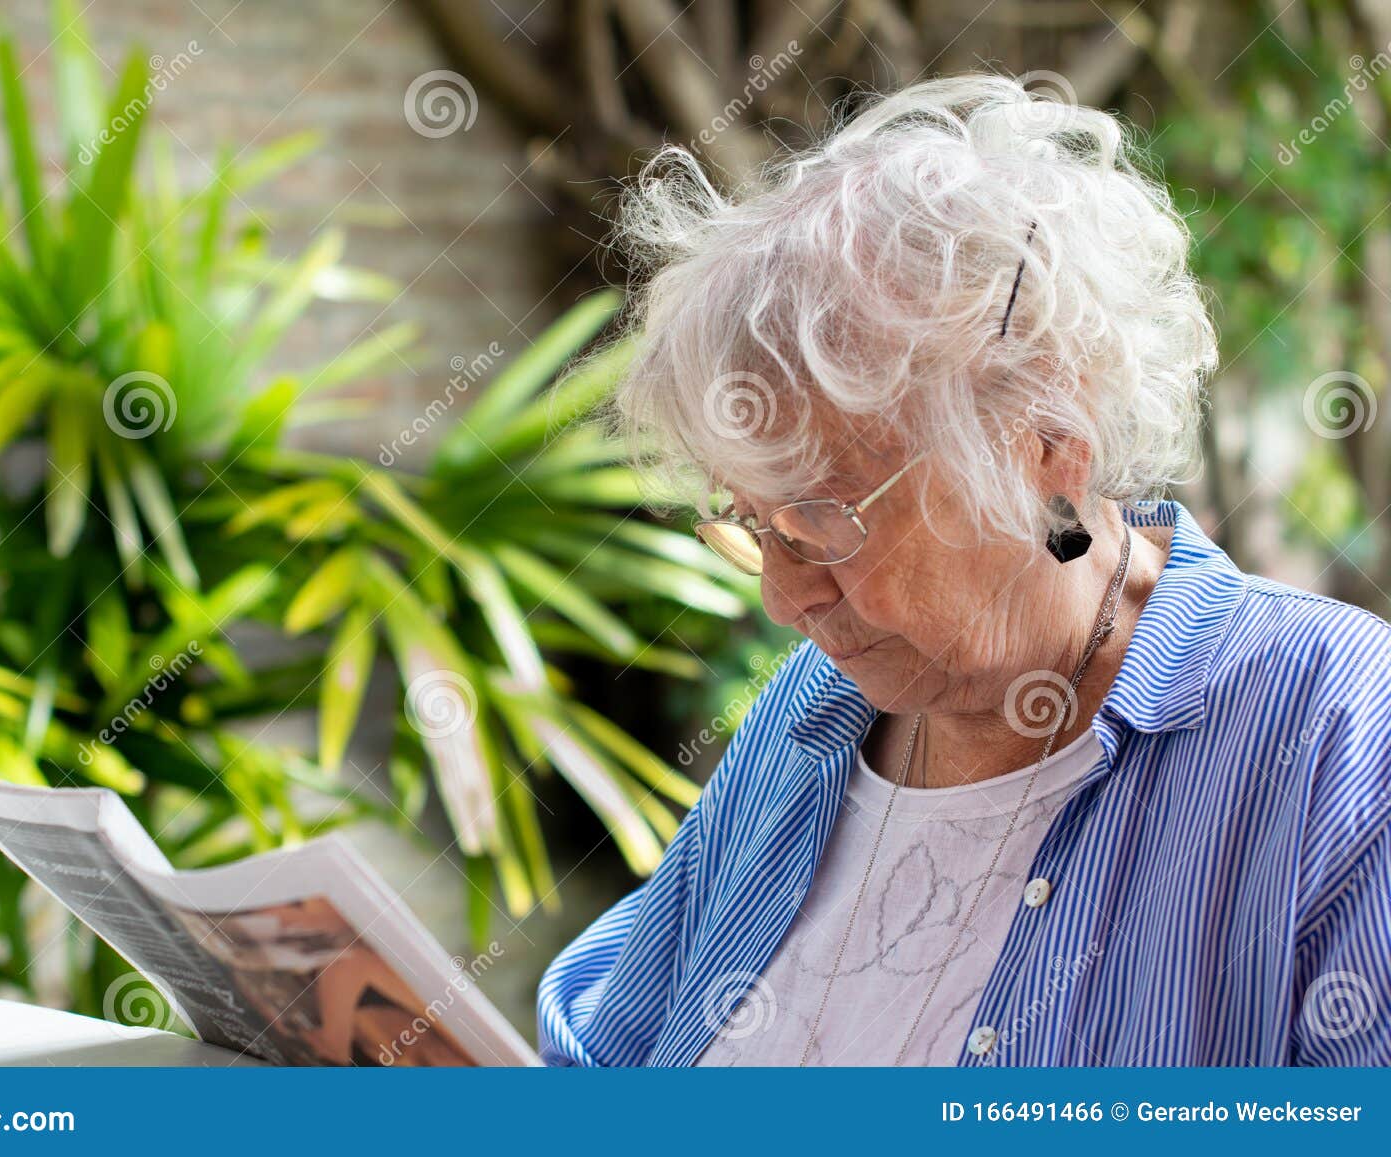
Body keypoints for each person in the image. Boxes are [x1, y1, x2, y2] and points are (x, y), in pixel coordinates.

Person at [535, 74, 1391, 1067]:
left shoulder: (1335, 731)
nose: (782, 595)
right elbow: (607, 1055)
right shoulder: (812, 712)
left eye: (821, 520)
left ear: (1049, 450)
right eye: (748, 523)